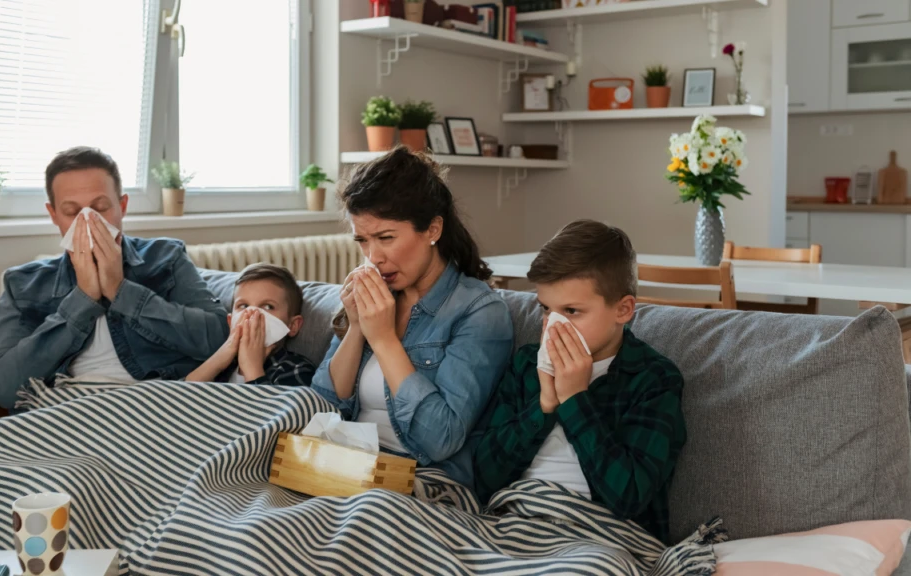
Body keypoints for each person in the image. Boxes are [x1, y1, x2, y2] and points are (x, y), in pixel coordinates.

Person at [472, 220, 686, 545]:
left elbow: (628, 496)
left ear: (623, 309)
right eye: (546, 309)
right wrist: (544, 405)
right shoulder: (527, 364)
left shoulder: (653, 379)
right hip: (513, 522)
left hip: (598, 535)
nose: (553, 327)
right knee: (377, 509)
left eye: (572, 311)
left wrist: (574, 399)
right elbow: (484, 478)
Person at [311, 147, 514, 488]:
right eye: (362, 240)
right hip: (345, 465)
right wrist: (357, 327)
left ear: (433, 229)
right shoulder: (374, 297)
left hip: (423, 481)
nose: (372, 257)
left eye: (386, 238)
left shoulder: (479, 312)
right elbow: (322, 408)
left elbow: (441, 439)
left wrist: (385, 340)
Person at [0, 147, 229, 410]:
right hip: (66, 414)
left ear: (122, 206)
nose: (89, 221)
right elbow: (3, 388)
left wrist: (121, 291)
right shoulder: (22, 284)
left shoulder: (166, 257)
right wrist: (83, 299)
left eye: (100, 207)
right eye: (71, 212)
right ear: (53, 215)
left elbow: (219, 339)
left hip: (159, 406)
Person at [187, 263, 315, 386]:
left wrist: (252, 369)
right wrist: (218, 360)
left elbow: (275, 408)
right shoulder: (222, 365)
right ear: (231, 322)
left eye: (268, 306)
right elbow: (181, 395)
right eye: (243, 306)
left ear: (292, 325)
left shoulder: (296, 369)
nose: (252, 313)